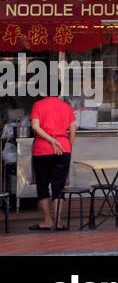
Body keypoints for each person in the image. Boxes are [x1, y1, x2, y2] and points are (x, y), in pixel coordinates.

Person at [30, 94, 76, 231]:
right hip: (63, 148)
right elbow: (73, 128)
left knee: (42, 185)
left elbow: (35, 126)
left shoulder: (38, 105)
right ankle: (58, 222)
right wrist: (68, 146)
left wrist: (50, 140)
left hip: (42, 149)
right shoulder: (66, 106)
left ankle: (47, 221)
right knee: (59, 186)